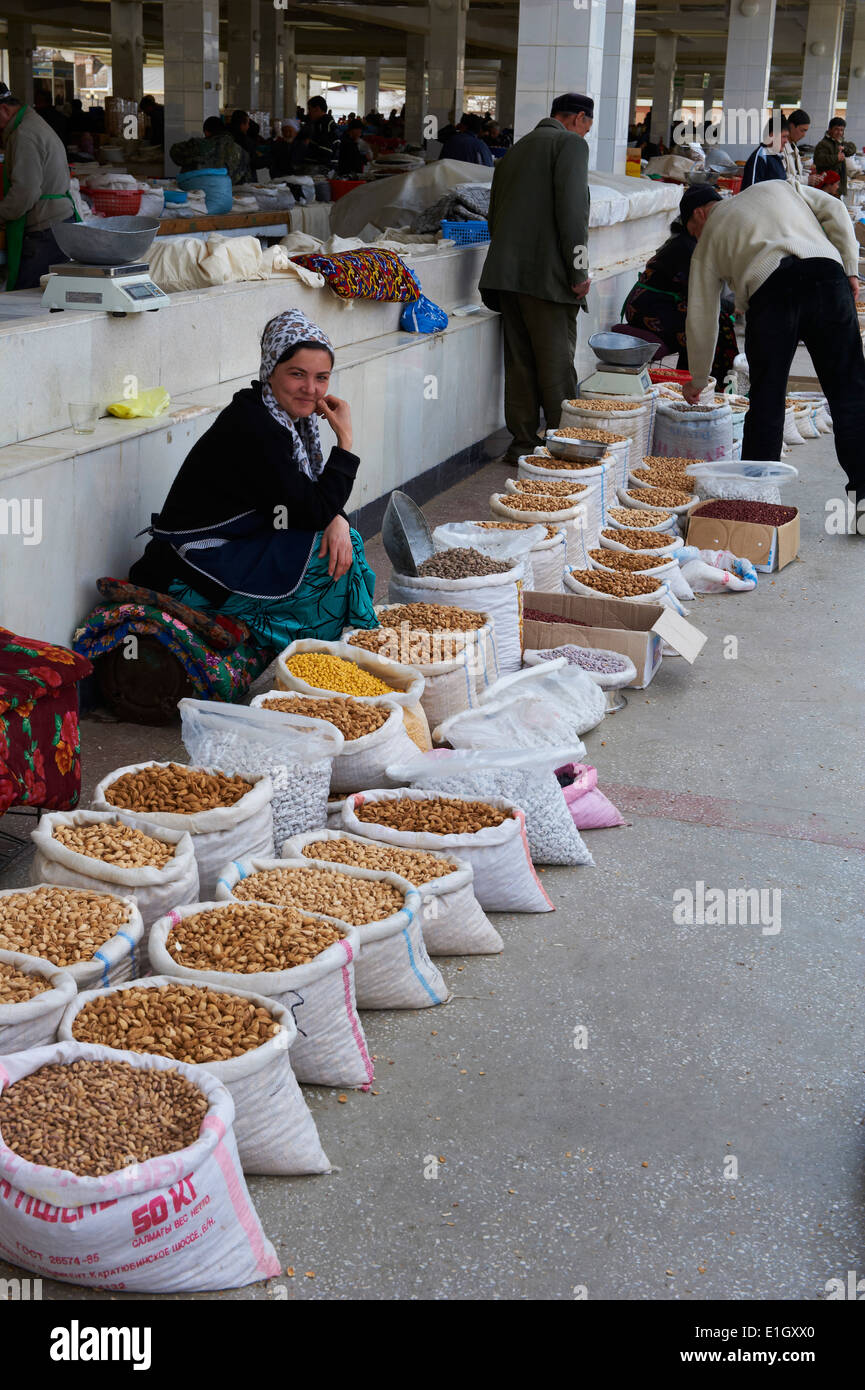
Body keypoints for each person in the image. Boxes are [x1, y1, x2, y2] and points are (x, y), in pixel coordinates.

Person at [129, 310, 378, 646]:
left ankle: (334, 641)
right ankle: (308, 646)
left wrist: (337, 518)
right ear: (270, 370)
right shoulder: (255, 426)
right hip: (191, 568)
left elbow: (306, 499)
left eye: (322, 377)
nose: (310, 389)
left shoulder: (282, 417)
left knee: (341, 540)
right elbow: (312, 509)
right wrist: (345, 442)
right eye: (297, 374)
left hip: (238, 542)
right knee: (327, 558)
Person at [681, 180, 865, 504]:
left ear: (698, 215)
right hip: (827, 276)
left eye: (691, 230)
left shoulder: (708, 239)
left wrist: (698, 378)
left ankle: (756, 504)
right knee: (850, 393)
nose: (695, 236)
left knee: (767, 399)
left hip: (771, 293)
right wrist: (850, 268)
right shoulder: (779, 186)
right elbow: (835, 208)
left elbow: (701, 314)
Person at [479, 92, 593, 465]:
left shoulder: (516, 150)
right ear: (579, 118)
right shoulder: (570, 145)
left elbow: (494, 216)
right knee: (556, 365)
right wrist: (579, 270)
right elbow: (573, 214)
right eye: (588, 124)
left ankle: (523, 445)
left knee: (521, 365)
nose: (587, 132)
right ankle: (561, 446)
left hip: (507, 278)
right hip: (549, 281)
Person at [622, 186, 737, 384]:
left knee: (713, 319)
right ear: (699, 214)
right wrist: (732, 306)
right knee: (711, 324)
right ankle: (704, 385)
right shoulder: (686, 246)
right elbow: (702, 295)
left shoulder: (691, 243)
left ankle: (696, 381)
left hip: (661, 305)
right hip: (649, 310)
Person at [0, 81, 80, 291]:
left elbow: (25, 192)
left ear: (4, 109)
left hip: (46, 230)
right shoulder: (30, 123)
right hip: (56, 225)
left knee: (27, 301)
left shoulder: (24, 134)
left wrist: (1, 213)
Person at [169, 116, 251, 184]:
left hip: (198, 195)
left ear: (206, 132)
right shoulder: (241, 151)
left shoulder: (199, 145)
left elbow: (175, 151)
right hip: (229, 197)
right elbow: (246, 179)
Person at [741, 115, 788, 189]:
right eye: (784, 136)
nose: (786, 141)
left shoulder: (776, 157)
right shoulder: (760, 157)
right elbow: (751, 190)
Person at [814, 118, 849, 197]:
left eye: (841, 130)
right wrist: (836, 158)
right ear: (830, 129)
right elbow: (818, 159)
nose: (839, 132)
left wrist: (845, 149)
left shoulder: (840, 142)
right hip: (827, 186)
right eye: (836, 129)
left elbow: (852, 149)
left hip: (837, 186)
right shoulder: (823, 144)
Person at [301, 95, 338, 168]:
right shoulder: (319, 123)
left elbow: (325, 151)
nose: (308, 113)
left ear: (317, 109)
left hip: (321, 168)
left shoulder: (325, 124)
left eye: (309, 109)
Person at [782, 109, 810, 182]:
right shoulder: (780, 148)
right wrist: (806, 180)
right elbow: (782, 177)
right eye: (802, 130)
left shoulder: (794, 147)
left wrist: (809, 176)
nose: (804, 135)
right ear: (791, 126)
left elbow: (797, 172)